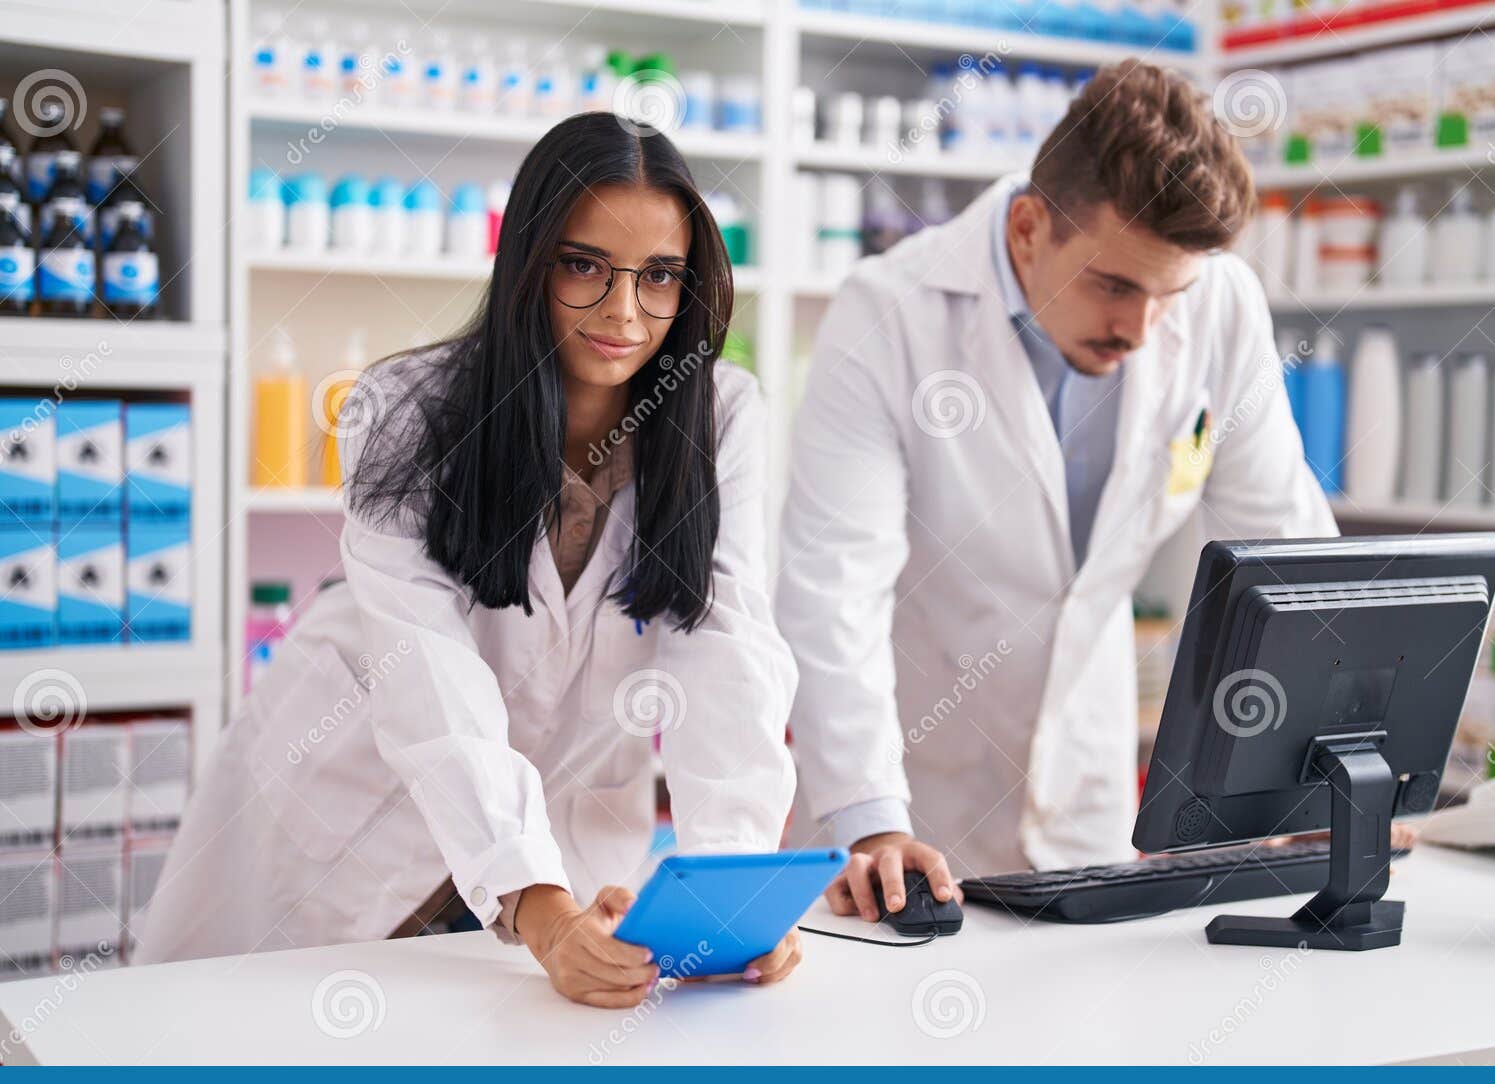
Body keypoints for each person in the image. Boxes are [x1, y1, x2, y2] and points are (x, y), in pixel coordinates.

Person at [137, 114, 802, 1007]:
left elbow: (727, 647)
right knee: (282, 1061)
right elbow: (428, 674)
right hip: (355, 810)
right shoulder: (404, 410)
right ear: (526, 260)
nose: (623, 311)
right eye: (584, 266)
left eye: (659, 277)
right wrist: (539, 907)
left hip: (570, 831)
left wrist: (734, 895)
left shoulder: (721, 419)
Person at [776, 61, 1337, 922]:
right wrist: (868, 819)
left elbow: (1285, 543)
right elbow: (831, 588)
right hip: (906, 807)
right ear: (1031, 227)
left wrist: (1327, 762)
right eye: (1114, 285)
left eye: (1167, 295)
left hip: (1088, 803)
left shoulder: (1220, 303)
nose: (1141, 329)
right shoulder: (889, 311)